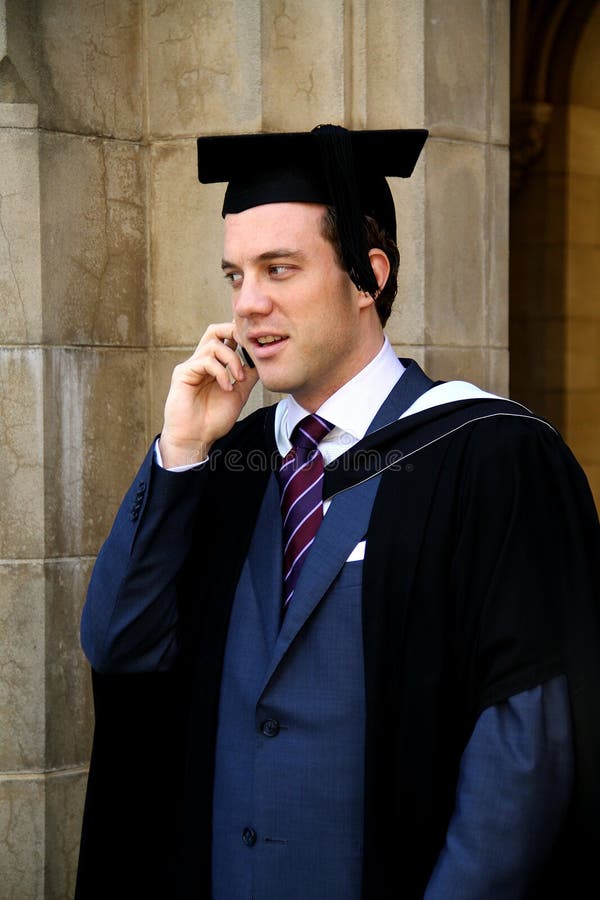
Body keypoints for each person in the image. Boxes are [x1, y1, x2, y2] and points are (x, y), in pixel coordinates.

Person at [75, 125, 600, 900]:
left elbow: (524, 745)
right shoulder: (229, 465)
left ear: (367, 276)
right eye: (235, 276)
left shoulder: (487, 456)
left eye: (279, 269)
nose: (249, 305)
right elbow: (121, 649)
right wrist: (179, 450)